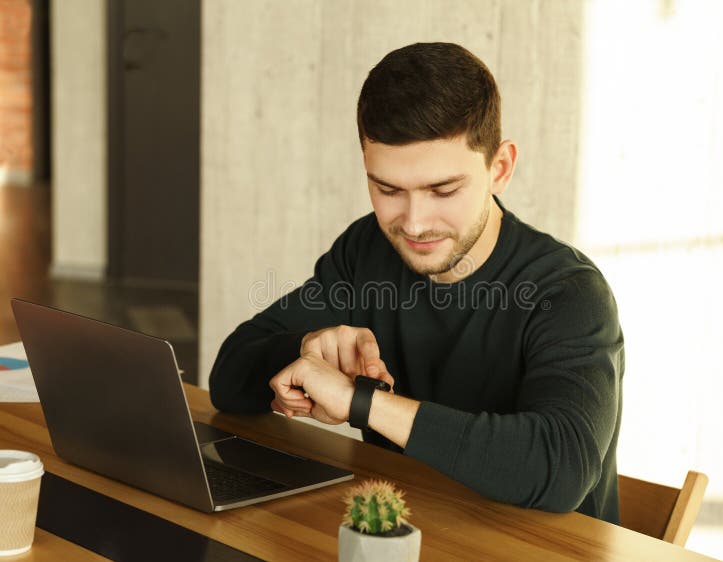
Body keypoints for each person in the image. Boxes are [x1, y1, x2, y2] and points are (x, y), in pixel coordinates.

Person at [209, 42, 625, 523]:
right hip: (412, 532)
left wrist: (360, 403)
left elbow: (561, 468)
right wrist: (307, 348)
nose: (414, 223)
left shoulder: (568, 292)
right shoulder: (367, 250)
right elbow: (229, 377)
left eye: (443, 190)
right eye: (387, 190)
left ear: (500, 169)